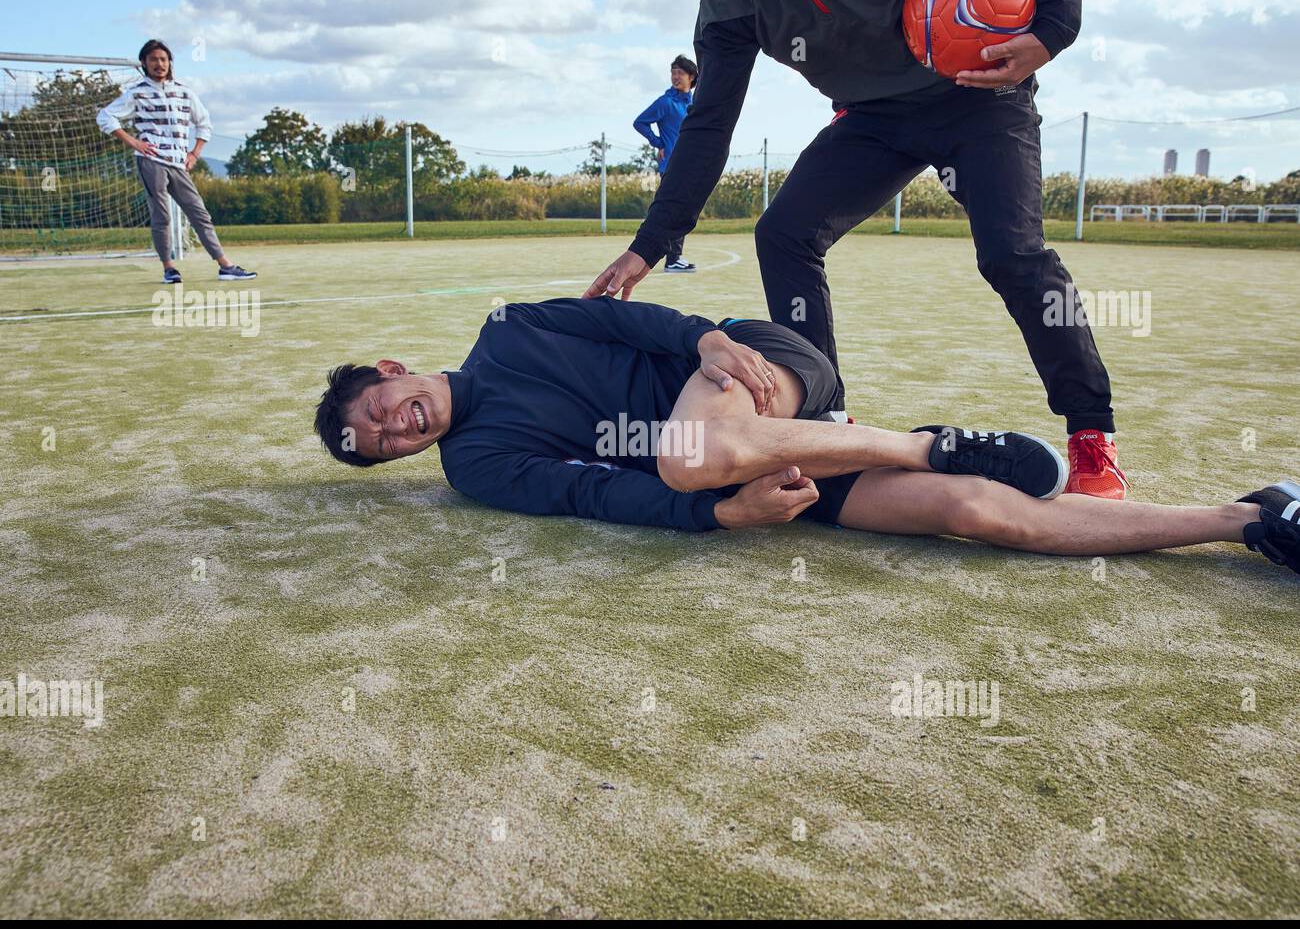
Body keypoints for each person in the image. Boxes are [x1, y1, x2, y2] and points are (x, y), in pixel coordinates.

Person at [582, 0, 1128, 500]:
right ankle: (828, 422)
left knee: (1012, 254)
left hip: (979, 96)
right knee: (784, 233)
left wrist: (1053, 32)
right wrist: (653, 241)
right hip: (874, 118)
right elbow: (709, 122)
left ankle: (1090, 432)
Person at [311, 296, 1299, 578]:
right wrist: (722, 517)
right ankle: (1249, 517)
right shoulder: (478, 467)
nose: (398, 434)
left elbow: (626, 324)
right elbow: (589, 495)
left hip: (750, 365)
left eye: (381, 414)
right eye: (384, 450)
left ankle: (918, 442)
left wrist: (703, 338)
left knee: (689, 450)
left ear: (393, 372)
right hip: (765, 457)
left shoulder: (510, 326)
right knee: (988, 517)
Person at [97, 39, 256, 285]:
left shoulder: (185, 92)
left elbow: (204, 123)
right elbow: (105, 116)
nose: (159, 64)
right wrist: (134, 142)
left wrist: (194, 153)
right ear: (144, 64)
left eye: (163, 59)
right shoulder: (137, 93)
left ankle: (225, 266)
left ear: (170, 62)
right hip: (151, 161)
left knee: (199, 213)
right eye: (153, 60)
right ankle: (169, 268)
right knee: (162, 216)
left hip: (179, 164)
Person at [633, 55, 699, 273]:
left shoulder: (695, 103)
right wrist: (658, 142)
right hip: (671, 164)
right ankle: (671, 258)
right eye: (673, 72)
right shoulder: (666, 102)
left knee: (685, 210)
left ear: (692, 77)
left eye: (680, 73)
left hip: (691, 164)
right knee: (673, 210)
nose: (675, 76)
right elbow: (640, 122)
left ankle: (673, 257)